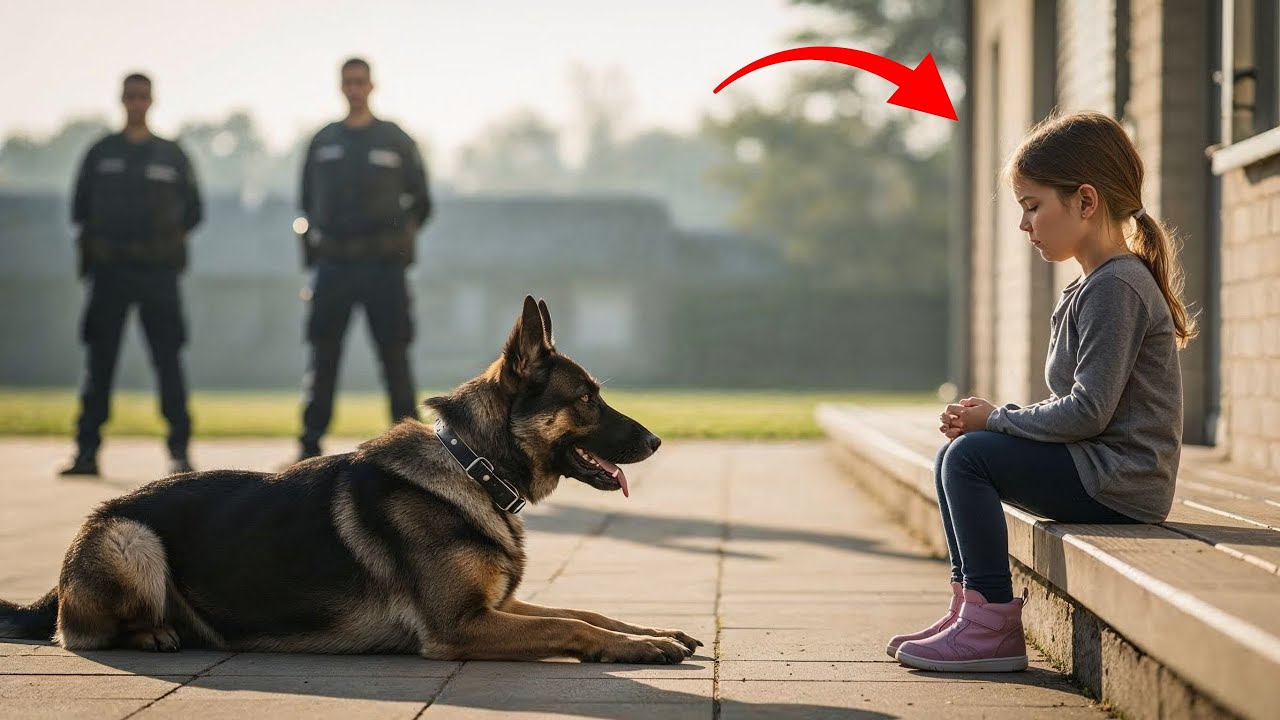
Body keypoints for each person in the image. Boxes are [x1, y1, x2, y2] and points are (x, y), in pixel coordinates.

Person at [887, 111, 1195, 672]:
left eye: (1033, 206)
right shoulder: (1092, 285)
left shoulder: (1117, 287)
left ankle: (991, 629)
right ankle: (970, 610)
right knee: (955, 455)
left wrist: (995, 420)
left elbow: (1087, 412)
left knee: (971, 456)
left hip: (1122, 483)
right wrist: (993, 419)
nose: (1024, 225)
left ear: (1085, 201)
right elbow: (1080, 408)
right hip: (1101, 471)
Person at [61, 72, 203, 477]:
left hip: (158, 275)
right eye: (130, 96)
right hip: (110, 273)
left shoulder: (171, 155)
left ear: (152, 100)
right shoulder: (101, 153)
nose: (137, 102)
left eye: (142, 96)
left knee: (168, 361)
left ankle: (179, 452)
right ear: (121, 100)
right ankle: (86, 452)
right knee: (99, 364)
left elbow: (194, 212)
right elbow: (79, 209)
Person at [295, 57, 431, 461]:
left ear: (372, 86)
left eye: (361, 81)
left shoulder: (395, 140)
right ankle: (309, 443)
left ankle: (410, 447)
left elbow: (422, 202)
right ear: (341, 87)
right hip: (333, 265)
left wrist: (398, 241)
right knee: (323, 355)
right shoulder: (323, 142)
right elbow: (306, 201)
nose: (355, 88)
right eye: (348, 82)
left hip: (383, 267)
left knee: (395, 355)